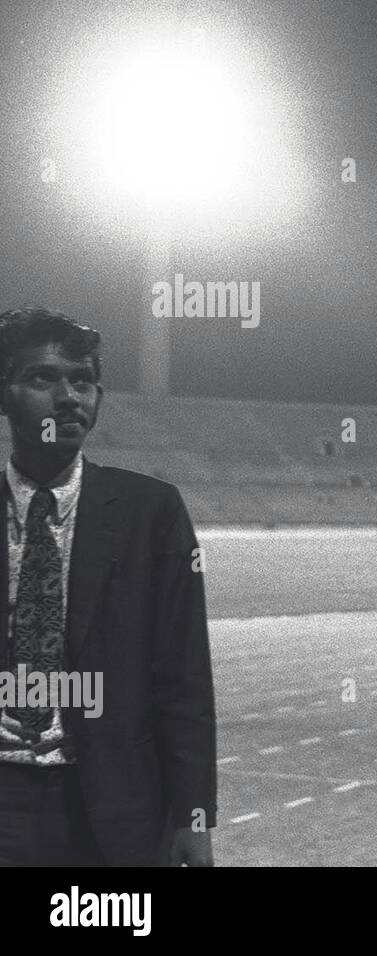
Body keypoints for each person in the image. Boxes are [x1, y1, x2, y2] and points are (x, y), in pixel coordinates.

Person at [0, 308, 216, 866]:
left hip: (113, 806)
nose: (68, 396)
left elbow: (183, 677)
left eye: (83, 380)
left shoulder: (152, 512)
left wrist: (194, 818)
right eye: (43, 378)